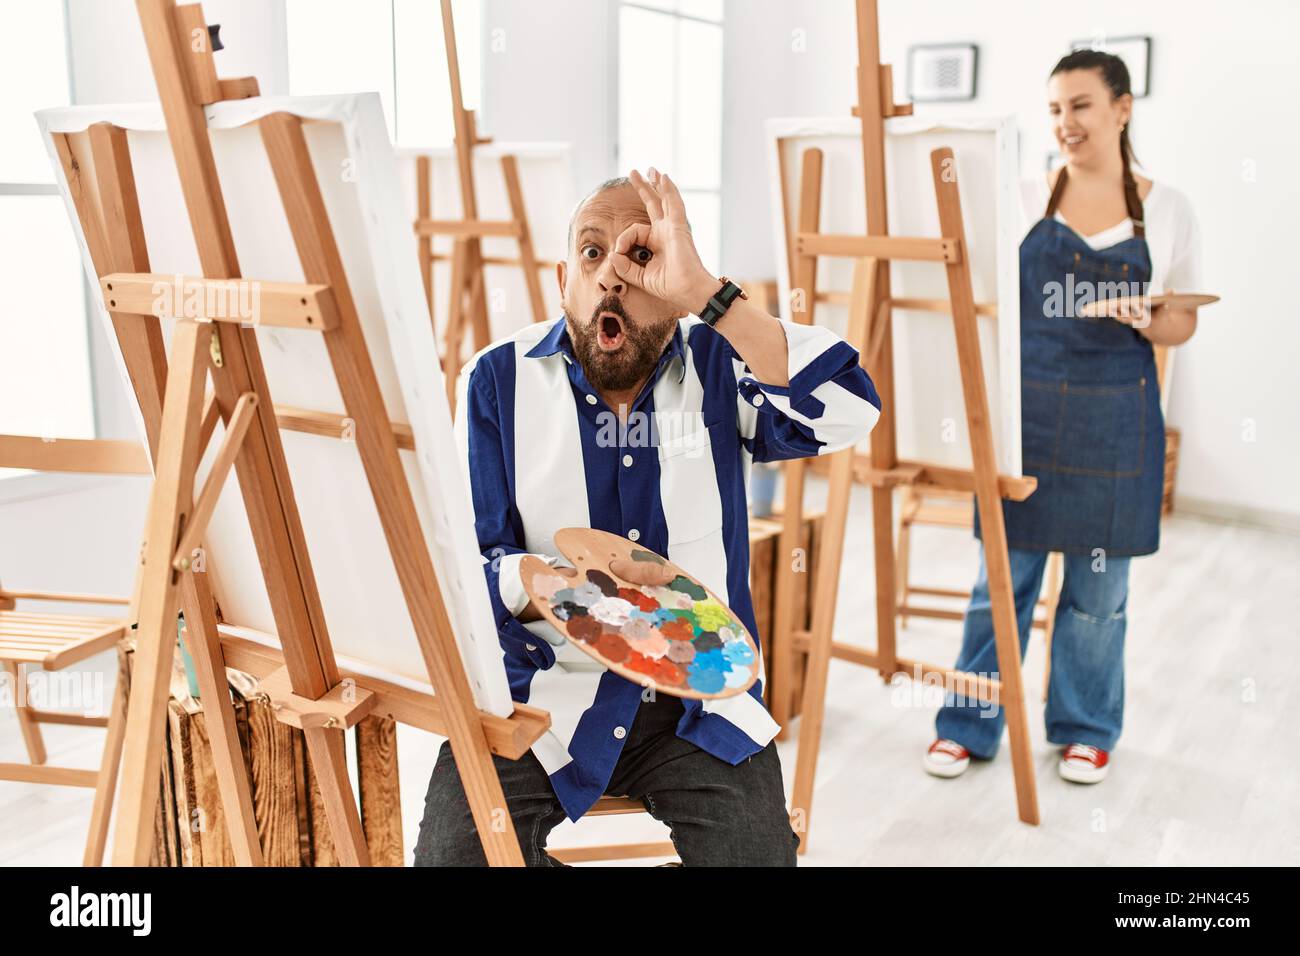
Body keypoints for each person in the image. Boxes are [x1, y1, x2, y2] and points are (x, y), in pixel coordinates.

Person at [415, 168, 882, 865]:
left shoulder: (723, 366)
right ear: (561, 279)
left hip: (698, 705)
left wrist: (706, 296)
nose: (611, 276)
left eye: (638, 256)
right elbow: (462, 569)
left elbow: (850, 405)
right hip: (540, 695)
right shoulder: (495, 380)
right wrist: (537, 583)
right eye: (591, 252)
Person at [924, 50, 1203, 785]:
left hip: (1116, 426)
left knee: (1097, 598)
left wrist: (1151, 318)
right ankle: (968, 721)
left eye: (1080, 105)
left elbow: (1184, 322)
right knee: (1000, 583)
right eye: (1054, 109)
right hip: (1030, 423)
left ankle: (1085, 728)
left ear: (1122, 107)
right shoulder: (1024, 197)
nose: (1065, 123)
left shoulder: (1166, 207)